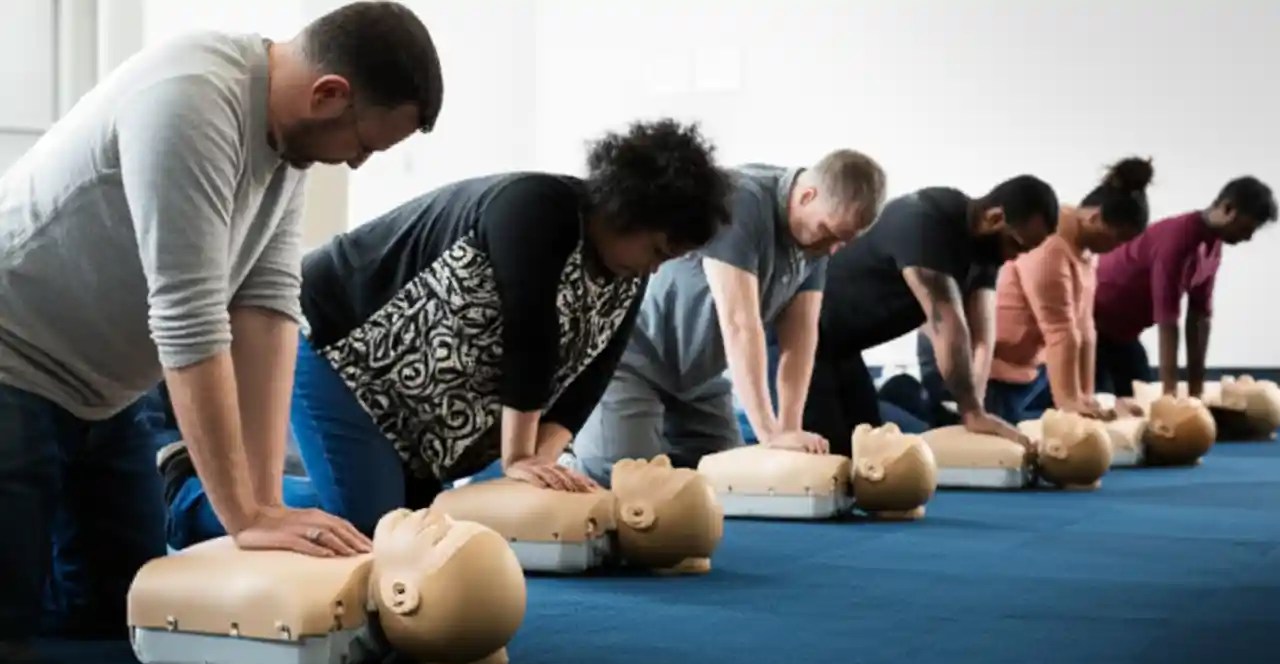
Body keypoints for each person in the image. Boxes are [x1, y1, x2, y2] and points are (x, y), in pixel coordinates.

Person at [0, 1, 443, 656]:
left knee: (122, 612)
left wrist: (265, 503)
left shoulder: (288, 147)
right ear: (329, 94)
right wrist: (241, 513)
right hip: (14, 365)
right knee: (9, 636)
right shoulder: (192, 97)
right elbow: (188, 314)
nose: (357, 165)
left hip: (107, 397)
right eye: (365, 145)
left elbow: (265, 305)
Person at [160, 118, 732, 549]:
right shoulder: (538, 206)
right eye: (658, 249)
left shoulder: (626, 276)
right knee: (373, 529)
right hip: (340, 345)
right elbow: (531, 334)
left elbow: (592, 375)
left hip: (421, 401)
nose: (657, 268)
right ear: (628, 212)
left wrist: (544, 463)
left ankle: (260, 489)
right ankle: (194, 493)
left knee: (421, 532)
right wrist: (517, 457)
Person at [566, 151, 888, 485]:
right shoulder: (741, 200)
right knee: (623, 481)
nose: (833, 248)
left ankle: (633, 438)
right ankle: (568, 451)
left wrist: (789, 428)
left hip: (698, 378)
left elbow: (801, 340)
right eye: (830, 232)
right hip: (631, 359)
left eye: (843, 240)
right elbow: (740, 324)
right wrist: (768, 433)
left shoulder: (817, 243)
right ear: (808, 196)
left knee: (725, 480)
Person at [804, 175, 1059, 457]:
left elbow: (983, 338)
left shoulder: (988, 252)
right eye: (1018, 245)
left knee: (870, 454)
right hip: (800, 339)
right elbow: (947, 325)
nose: (1015, 257)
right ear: (995, 218)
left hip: (841, 349)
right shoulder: (927, 221)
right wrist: (971, 411)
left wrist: (977, 410)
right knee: (833, 458)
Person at [938, 158, 1156, 424]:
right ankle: (913, 396)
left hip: (1026, 367)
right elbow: (1060, 329)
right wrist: (1069, 406)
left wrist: (1085, 398)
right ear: (1095, 218)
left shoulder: (1087, 251)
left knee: (1083, 396)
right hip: (983, 363)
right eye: (1117, 238)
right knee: (1002, 427)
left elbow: (1084, 328)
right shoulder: (1051, 245)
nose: (1117, 248)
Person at [1093, 176, 1277, 399]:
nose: (1248, 238)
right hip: (1091, 326)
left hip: (1124, 335)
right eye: (1247, 228)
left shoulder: (1212, 248)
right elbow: (1168, 322)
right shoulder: (1178, 238)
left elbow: (1199, 319)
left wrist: (1195, 394)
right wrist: (1170, 396)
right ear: (1228, 209)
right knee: (1100, 405)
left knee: (1137, 402)